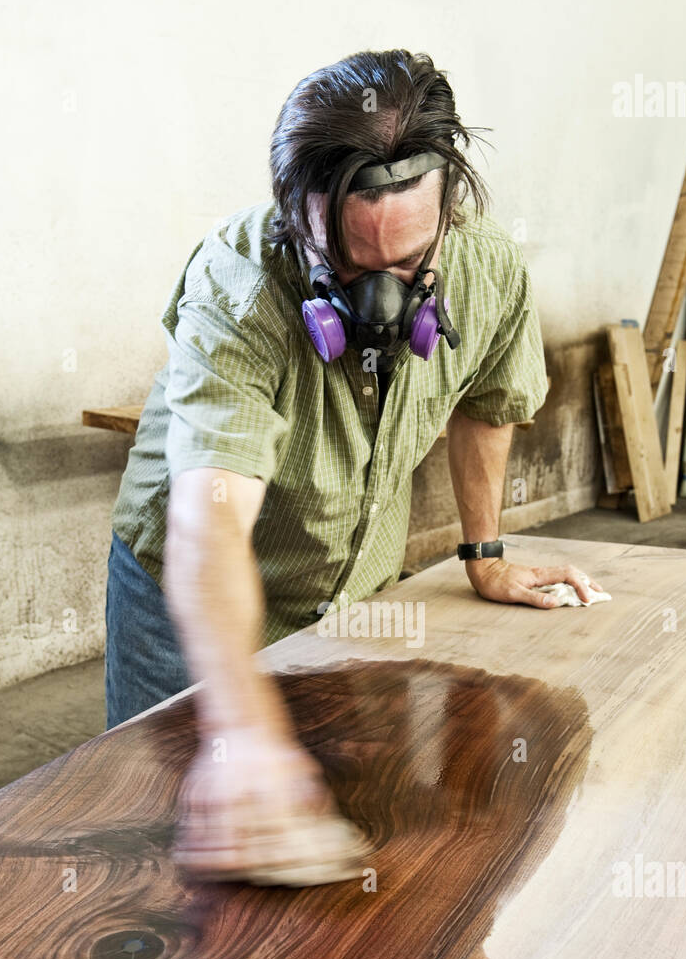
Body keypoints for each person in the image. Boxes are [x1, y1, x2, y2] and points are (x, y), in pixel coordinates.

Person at [106, 48, 603, 883]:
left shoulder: (487, 268)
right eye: (347, 269)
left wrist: (483, 556)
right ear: (294, 216)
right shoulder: (239, 286)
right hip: (190, 587)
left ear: (449, 211)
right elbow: (210, 518)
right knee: (172, 840)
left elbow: (489, 402)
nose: (381, 301)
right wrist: (241, 736)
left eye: (409, 268)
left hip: (352, 580)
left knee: (350, 812)